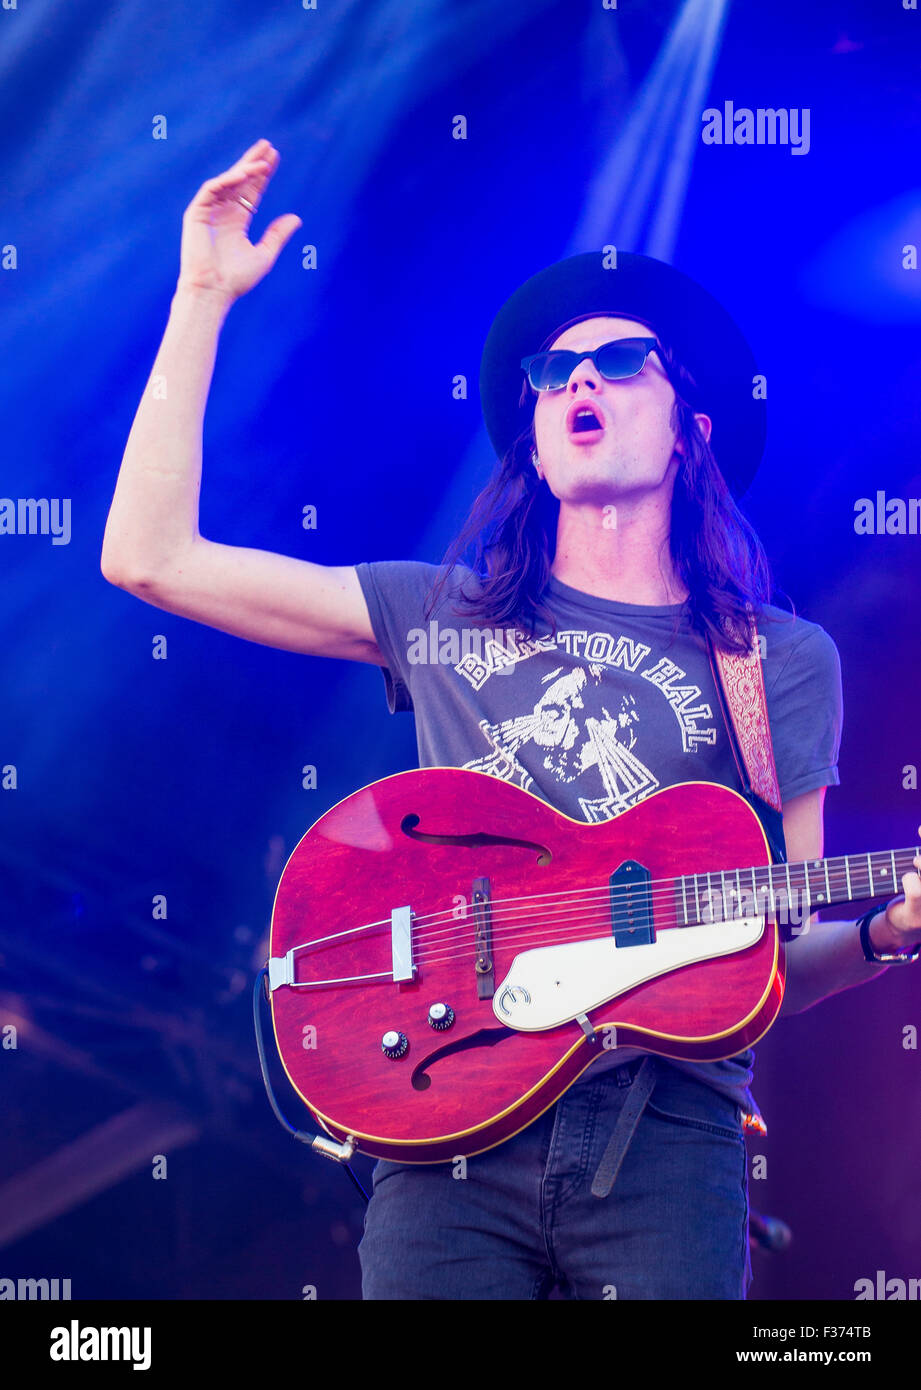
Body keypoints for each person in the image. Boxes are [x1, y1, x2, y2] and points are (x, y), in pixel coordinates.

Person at [102, 139, 921, 1301]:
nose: (579, 380)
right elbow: (147, 556)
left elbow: (776, 957)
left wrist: (888, 935)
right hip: (445, 1127)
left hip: (667, 1140)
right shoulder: (440, 613)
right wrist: (199, 296)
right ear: (532, 444)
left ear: (690, 426)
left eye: (622, 360)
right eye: (553, 373)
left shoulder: (778, 660)